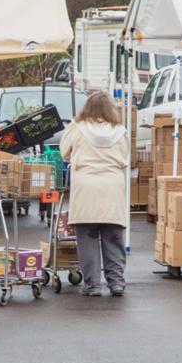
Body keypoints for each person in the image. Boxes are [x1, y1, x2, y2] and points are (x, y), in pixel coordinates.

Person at [60, 91, 131, 297]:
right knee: (114, 238)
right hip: (112, 188)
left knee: (88, 240)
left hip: (85, 188)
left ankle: (92, 285)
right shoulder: (120, 131)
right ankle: (116, 282)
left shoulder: (77, 128)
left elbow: (65, 152)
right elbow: (125, 158)